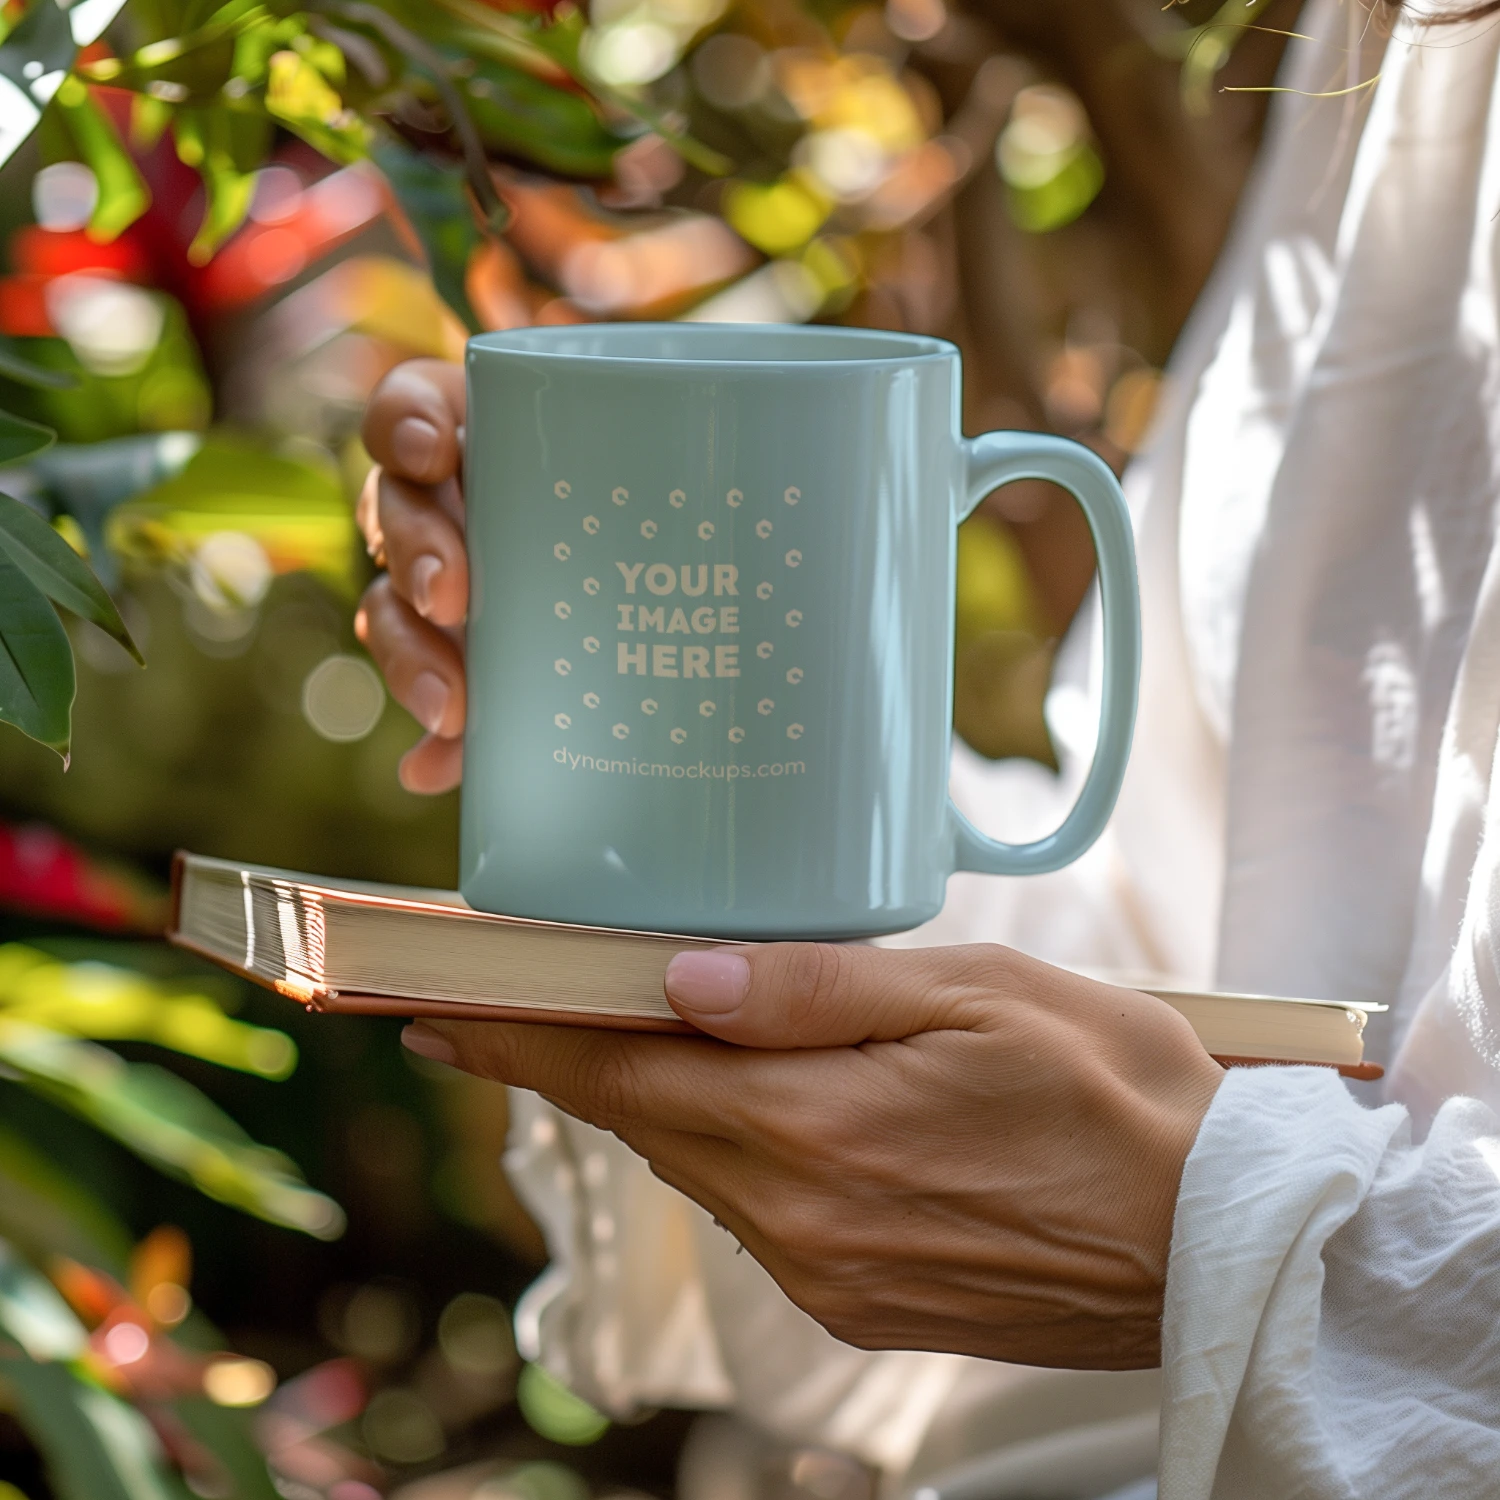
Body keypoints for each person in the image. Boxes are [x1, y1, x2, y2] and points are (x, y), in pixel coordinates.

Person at [354, 1, 1500, 1492]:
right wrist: (641, 725)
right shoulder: (1400, 56)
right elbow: (1225, 949)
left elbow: (1268, 1144)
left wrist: (1230, 1242)